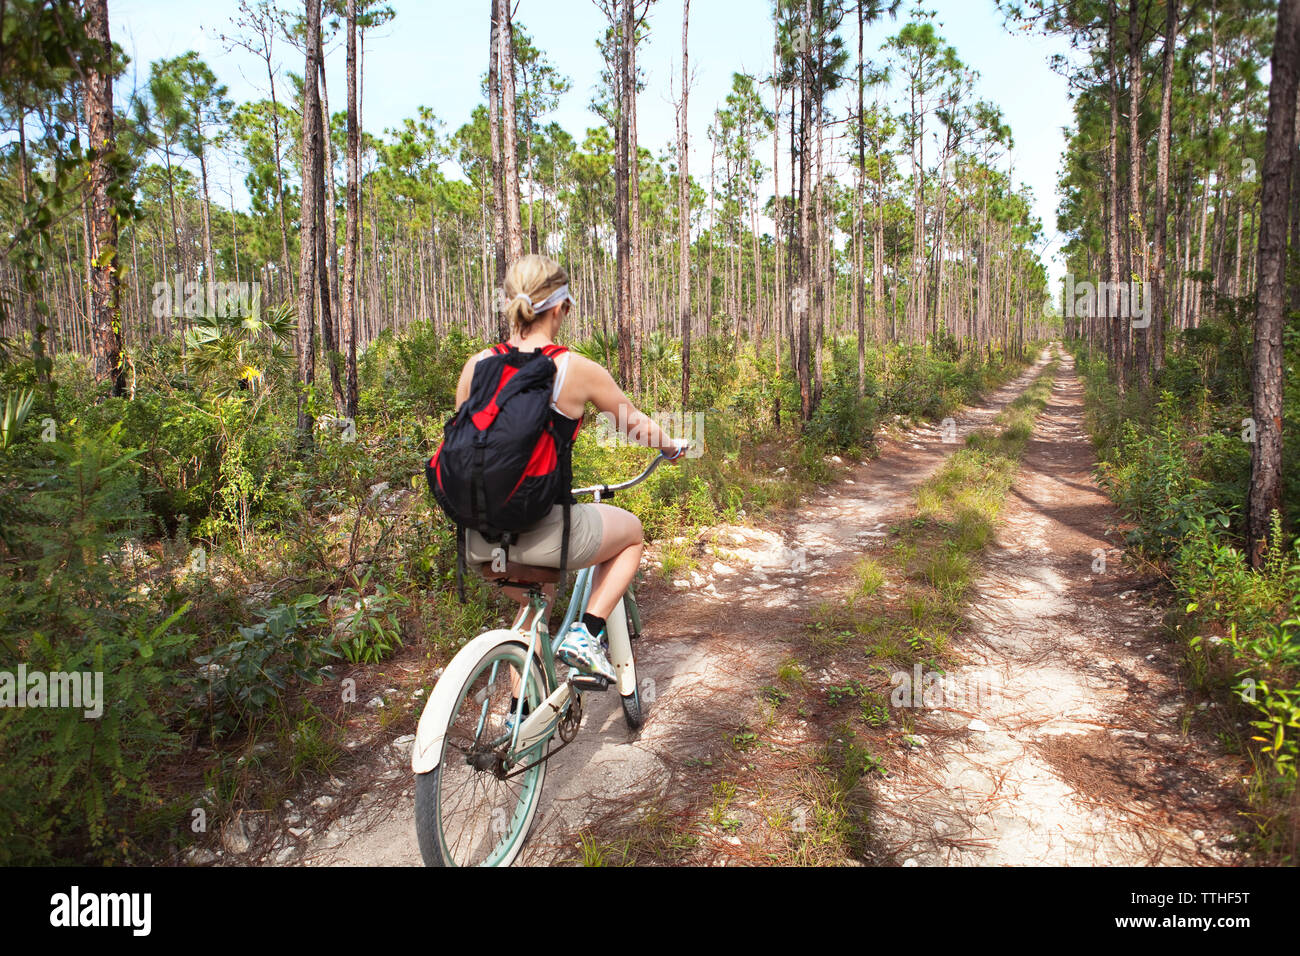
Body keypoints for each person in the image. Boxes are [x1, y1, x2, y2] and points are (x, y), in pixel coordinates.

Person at [453, 253, 687, 684]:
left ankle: (519, 713)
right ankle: (587, 634)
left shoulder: (477, 365)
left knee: (532, 614)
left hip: (481, 541)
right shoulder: (574, 369)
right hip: (546, 534)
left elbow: (466, 444)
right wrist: (671, 448)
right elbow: (634, 424)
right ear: (561, 307)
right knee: (632, 534)